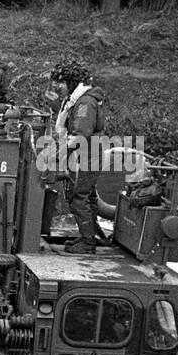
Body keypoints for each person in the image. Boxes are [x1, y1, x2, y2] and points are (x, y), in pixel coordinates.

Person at [50, 57, 108, 254]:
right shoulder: (77, 101)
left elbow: (79, 134)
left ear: (72, 83)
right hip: (87, 154)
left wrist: (58, 155)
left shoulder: (84, 103)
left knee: (78, 196)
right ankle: (89, 236)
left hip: (87, 155)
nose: (56, 86)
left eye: (60, 82)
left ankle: (87, 242)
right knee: (88, 195)